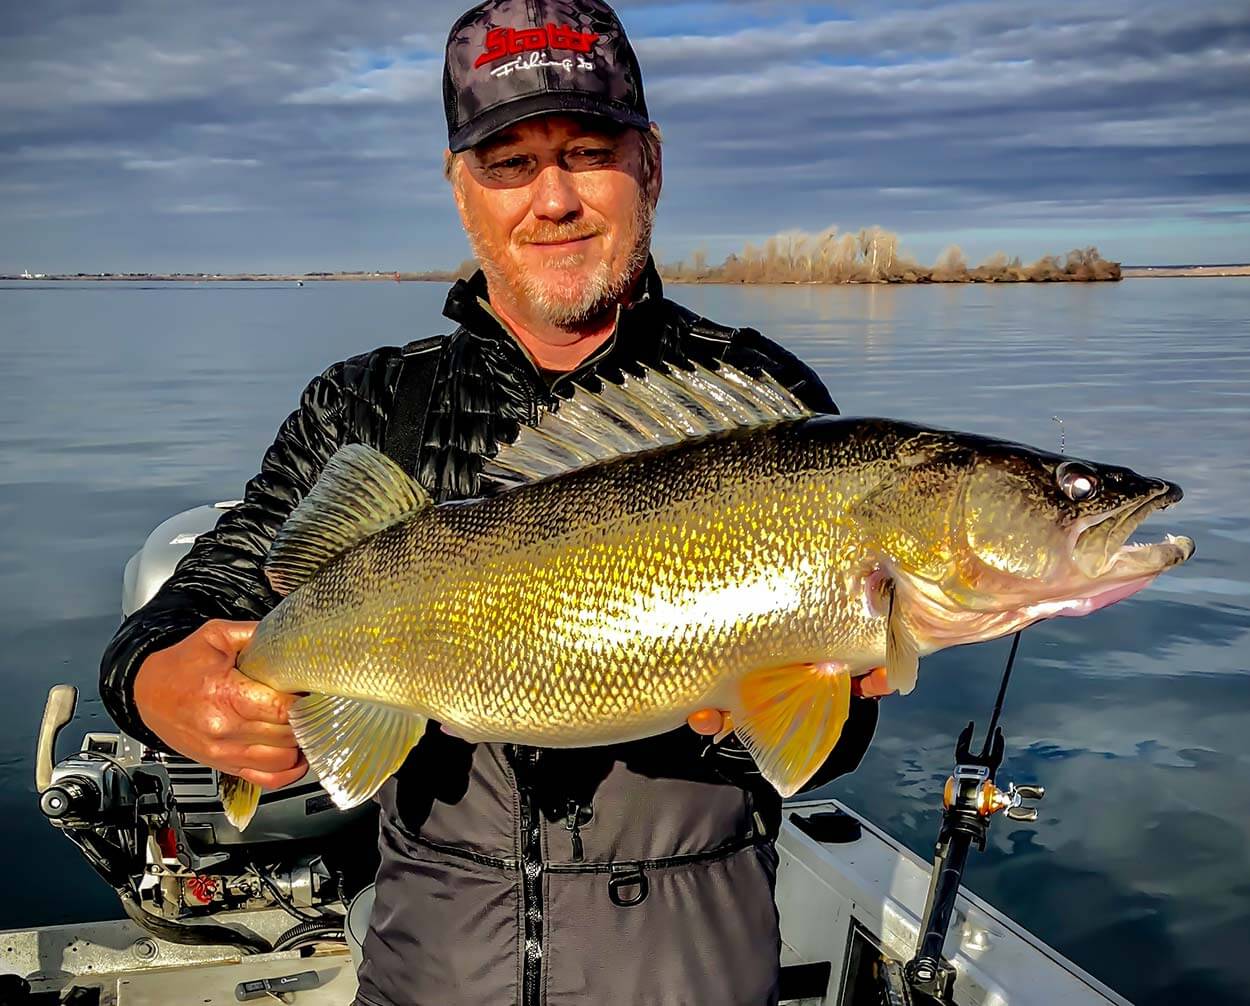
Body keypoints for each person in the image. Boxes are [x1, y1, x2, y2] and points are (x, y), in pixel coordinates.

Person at [99, 2, 893, 1003]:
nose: (551, 198)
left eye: (587, 150)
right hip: (427, 970)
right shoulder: (369, 404)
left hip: (689, 970)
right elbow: (210, 583)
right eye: (507, 162)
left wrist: (761, 706)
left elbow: (827, 743)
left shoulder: (757, 400)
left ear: (648, 162)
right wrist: (154, 678)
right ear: (458, 188)